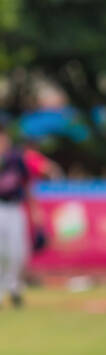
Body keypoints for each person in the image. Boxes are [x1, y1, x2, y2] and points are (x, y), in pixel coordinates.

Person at [0, 117, 47, 308]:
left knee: (19, 251)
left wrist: (35, 209)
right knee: (1, 252)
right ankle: (4, 289)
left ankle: (14, 286)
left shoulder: (15, 158)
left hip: (15, 207)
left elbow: (27, 184)